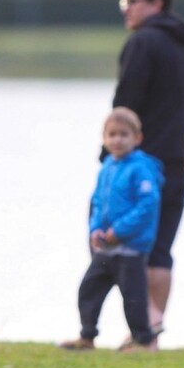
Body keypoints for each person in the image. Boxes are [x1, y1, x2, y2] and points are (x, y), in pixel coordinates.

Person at [109, 0, 184, 349]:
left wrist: (111, 156)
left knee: (127, 249)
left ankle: (140, 331)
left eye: (132, 1)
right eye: (124, 1)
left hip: (138, 165)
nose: (126, 9)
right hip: (177, 162)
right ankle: (149, 332)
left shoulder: (143, 43)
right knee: (160, 249)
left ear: (156, 3)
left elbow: (125, 108)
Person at [62, 108, 164, 352]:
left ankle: (141, 340)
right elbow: (97, 202)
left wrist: (119, 231)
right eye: (112, 134)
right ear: (104, 139)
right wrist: (95, 229)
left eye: (123, 134)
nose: (117, 140)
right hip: (106, 249)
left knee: (134, 298)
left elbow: (147, 205)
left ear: (136, 138)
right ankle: (87, 336)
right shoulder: (107, 167)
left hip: (131, 249)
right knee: (88, 289)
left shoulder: (141, 168)